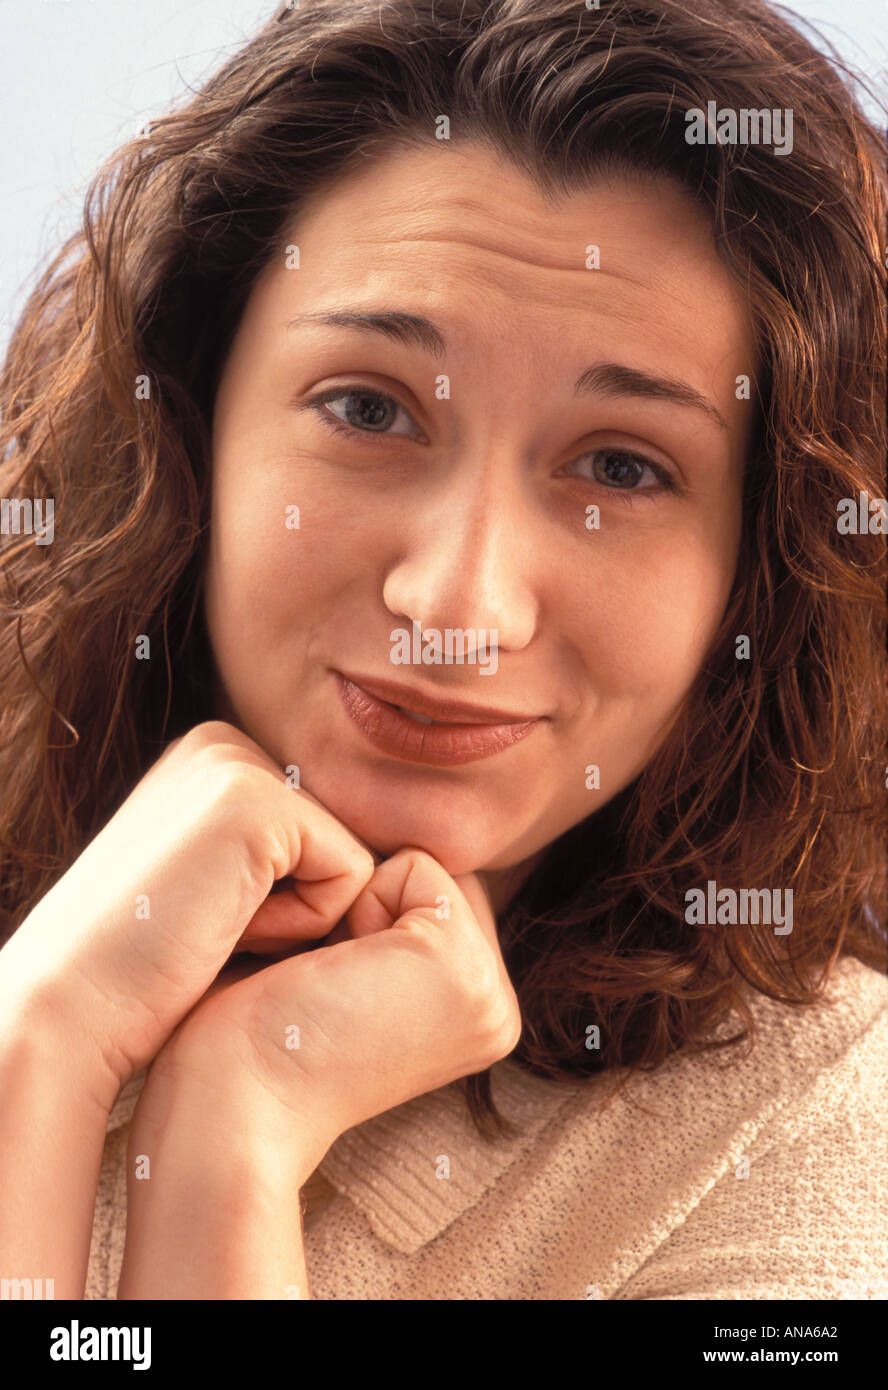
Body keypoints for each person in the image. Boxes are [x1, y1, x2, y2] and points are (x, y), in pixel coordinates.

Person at [0, 0, 885, 1301]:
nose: (459, 597)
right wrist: (42, 1045)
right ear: (188, 429)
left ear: (758, 561)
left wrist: (230, 1134)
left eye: (622, 467)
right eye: (369, 407)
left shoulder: (811, 1141)